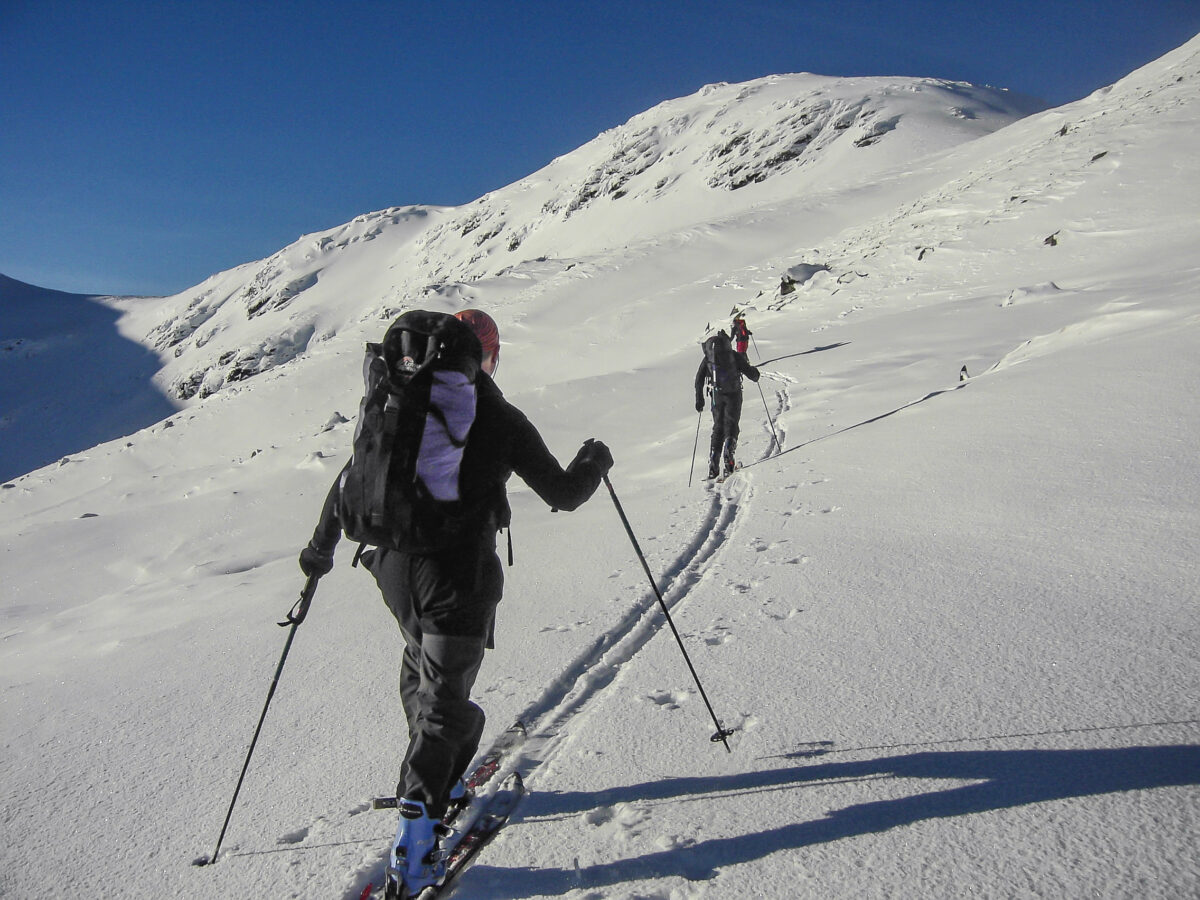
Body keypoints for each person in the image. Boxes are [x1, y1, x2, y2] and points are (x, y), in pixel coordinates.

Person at [298, 308, 613, 893]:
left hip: (391, 570)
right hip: (457, 580)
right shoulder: (497, 415)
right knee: (445, 704)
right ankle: (416, 841)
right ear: (485, 356)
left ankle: (444, 784)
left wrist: (317, 556)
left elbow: (350, 478)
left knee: (422, 682)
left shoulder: (398, 400)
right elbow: (564, 494)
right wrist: (594, 461)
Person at [695, 328, 760, 479]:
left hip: (716, 395)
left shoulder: (709, 358)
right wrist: (756, 375)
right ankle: (729, 456)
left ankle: (714, 460)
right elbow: (749, 371)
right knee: (731, 424)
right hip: (734, 394)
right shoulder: (733, 355)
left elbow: (699, 379)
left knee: (718, 426)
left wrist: (700, 399)